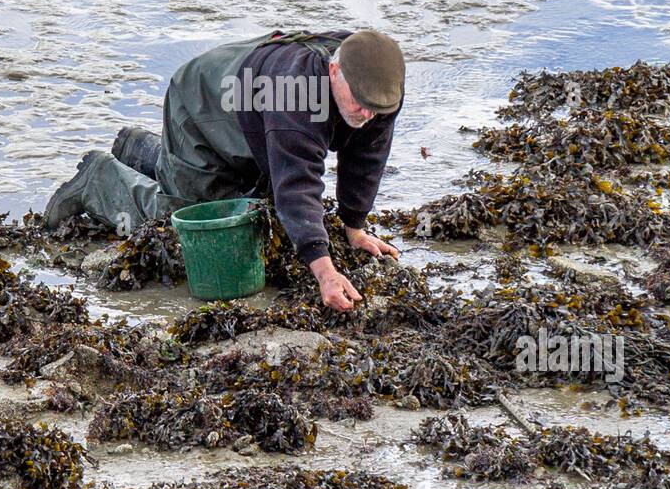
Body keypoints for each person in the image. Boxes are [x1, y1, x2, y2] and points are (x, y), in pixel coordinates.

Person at [43, 29, 405, 310]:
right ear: (333, 70)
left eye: (376, 107)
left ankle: (140, 149)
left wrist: (354, 227)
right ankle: (98, 178)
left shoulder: (378, 85)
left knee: (247, 198)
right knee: (189, 223)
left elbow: (368, 154)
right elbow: (296, 188)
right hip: (202, 101)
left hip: (253, 114)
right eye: (359, 102)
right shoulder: (295, 97)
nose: (367, 114)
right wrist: (325, 271)